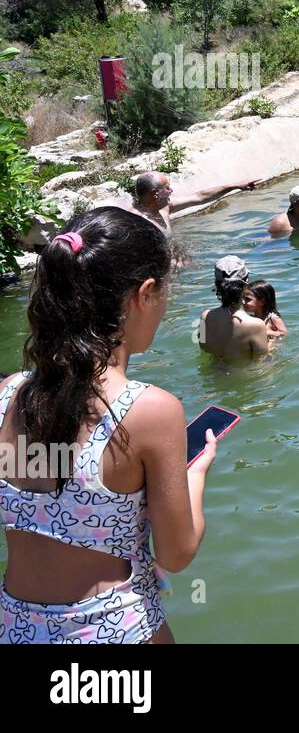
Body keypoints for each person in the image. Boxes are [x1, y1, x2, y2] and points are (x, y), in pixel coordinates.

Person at [1, 209, 218, 644]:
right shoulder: (150, 411)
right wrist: (194, 474)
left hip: (14, 628)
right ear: (145, 293)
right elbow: (176, 554)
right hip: (111, 631)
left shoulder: (10, 394)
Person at [132, 172, 260, 236]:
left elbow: (199, 197)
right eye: (167, 188)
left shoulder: (164, 207)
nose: (171, 191)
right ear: (155, 193)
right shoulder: (135, 222)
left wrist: (234, 185)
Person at [199, 256, 270, 360]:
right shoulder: (256, 325)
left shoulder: (204, 317)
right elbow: (262, 361)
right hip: (244, 375)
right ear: (245, 286)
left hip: (214, 373)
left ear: (217, 285)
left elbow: (204, 347)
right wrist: (273, 345)